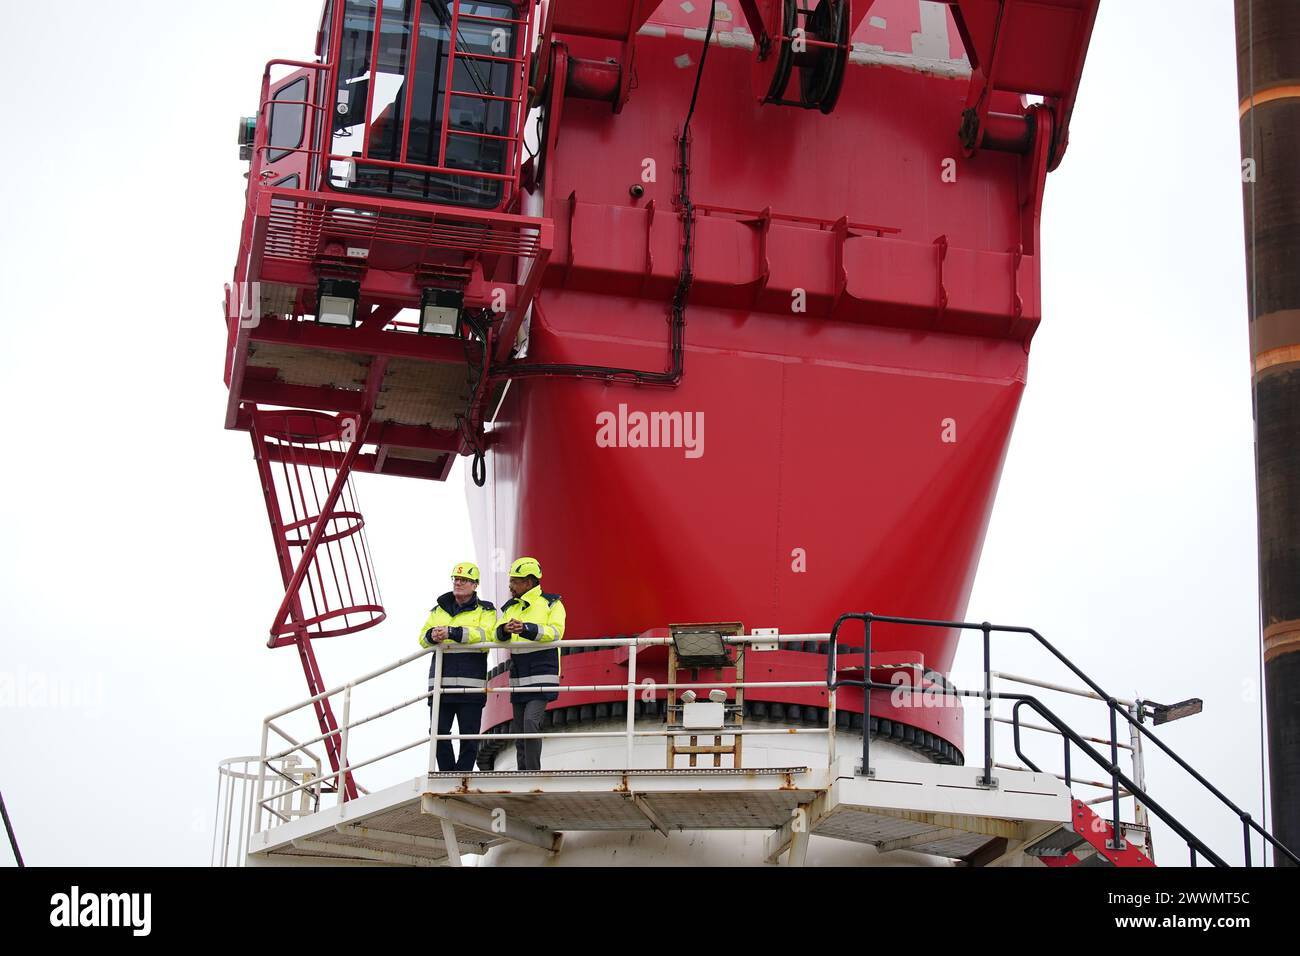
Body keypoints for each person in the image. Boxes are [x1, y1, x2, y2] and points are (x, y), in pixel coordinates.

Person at [419, 562, 496, 772]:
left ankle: (462, 774)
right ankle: (447, 773)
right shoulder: (438, 609)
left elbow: (487, 635)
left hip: (470, 684)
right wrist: (432, 635)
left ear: (475, 585)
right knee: (437, 731)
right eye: (456, 579)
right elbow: (422, 638)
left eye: (464, 580)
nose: (458, 583)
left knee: (468, 734)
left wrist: (452, 633)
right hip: (440, 684)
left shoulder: (486, 610)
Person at [493, 557, 566, 771]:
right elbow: (495, 634)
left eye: (515, 581)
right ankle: (522, 772)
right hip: (519, 673)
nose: (510, 586)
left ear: (529, 582)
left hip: (543, 671)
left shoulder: (553, 603)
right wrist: (505, 630)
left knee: (530, 723)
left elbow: (555, 632)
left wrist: (525, 628)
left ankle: (532, 772)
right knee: (518, 728)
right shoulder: (509, 608)